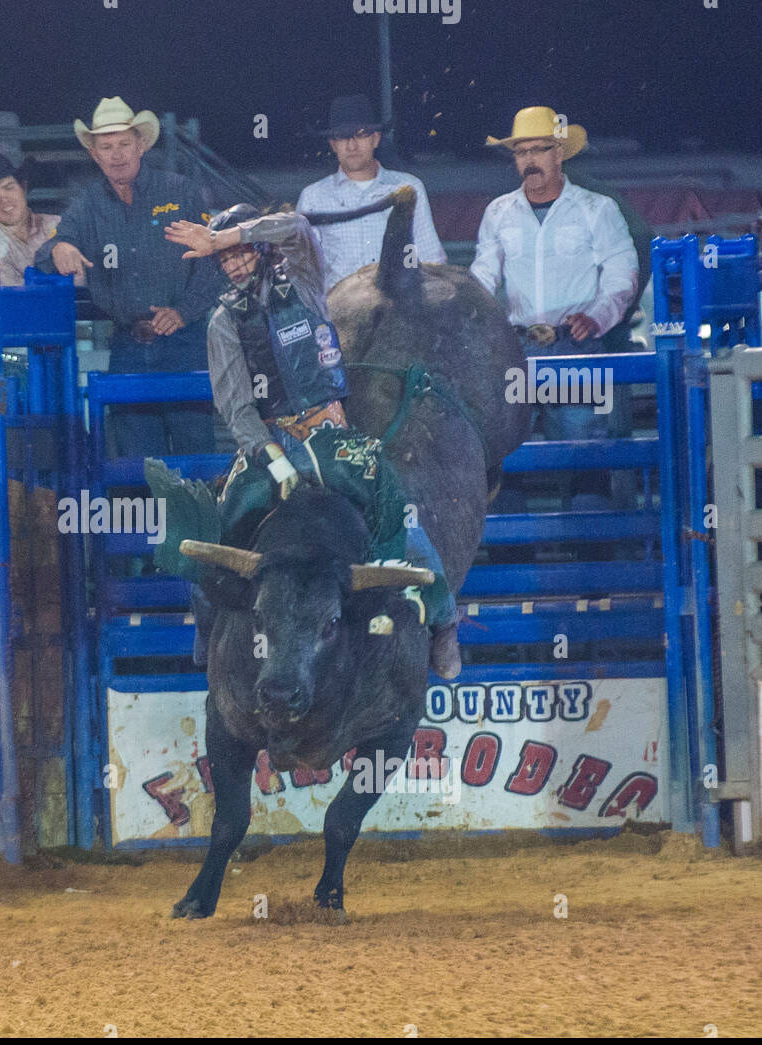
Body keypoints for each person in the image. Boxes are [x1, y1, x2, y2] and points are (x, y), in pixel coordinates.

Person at [159, 203, 462, 679]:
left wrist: (223, 235)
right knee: (214, 533)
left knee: (398, 513)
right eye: (225, 259)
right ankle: (208, 623)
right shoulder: (223, 322)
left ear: (260, 248)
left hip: (331, 435)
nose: (234, 264)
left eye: (239, 253)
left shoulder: (300, 282)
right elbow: (236, 405)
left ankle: (444, 620)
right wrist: (272, 458)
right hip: (270, 439)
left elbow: (297, 226)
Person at [35, 96, 223, 457]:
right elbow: (51, 249)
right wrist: (60, 249)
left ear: (140, 145)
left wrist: (183, 311)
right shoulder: (88, 203)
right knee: (136, 459)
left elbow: (212, 259)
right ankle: (148, 513)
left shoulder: (180, 190)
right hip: (128, 345)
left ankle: (197, 515)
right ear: (95, 154)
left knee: (195, 450)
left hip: (186, 343)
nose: (116, 154)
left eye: (123, 144)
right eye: (106, 146)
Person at [472, 105, 639, 507]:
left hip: (577, 346)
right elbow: (482, 274)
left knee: (585, 459)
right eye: (521, 152)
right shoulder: (498, 213)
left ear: (559, 153)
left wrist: (596, 319)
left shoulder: (597, 209)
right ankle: (518, 562)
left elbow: (622, 276)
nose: (529, 160)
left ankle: (591, 560)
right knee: (506, 459)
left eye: (539, 149)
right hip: (517, 350)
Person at [297, 95, 446, 293]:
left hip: (399, 311)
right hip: (339, 315)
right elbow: (304, 271)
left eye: (360, 134)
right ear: (333, 145)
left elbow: (430, 259)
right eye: (342, 137)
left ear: (375, 139)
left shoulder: (408, 188)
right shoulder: (313, 198)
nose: (351, 145)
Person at [0, 151, 61, 287]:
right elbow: (15, 302)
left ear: (23, 188)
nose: (3, 199)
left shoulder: (57, 225)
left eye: (9, 187)